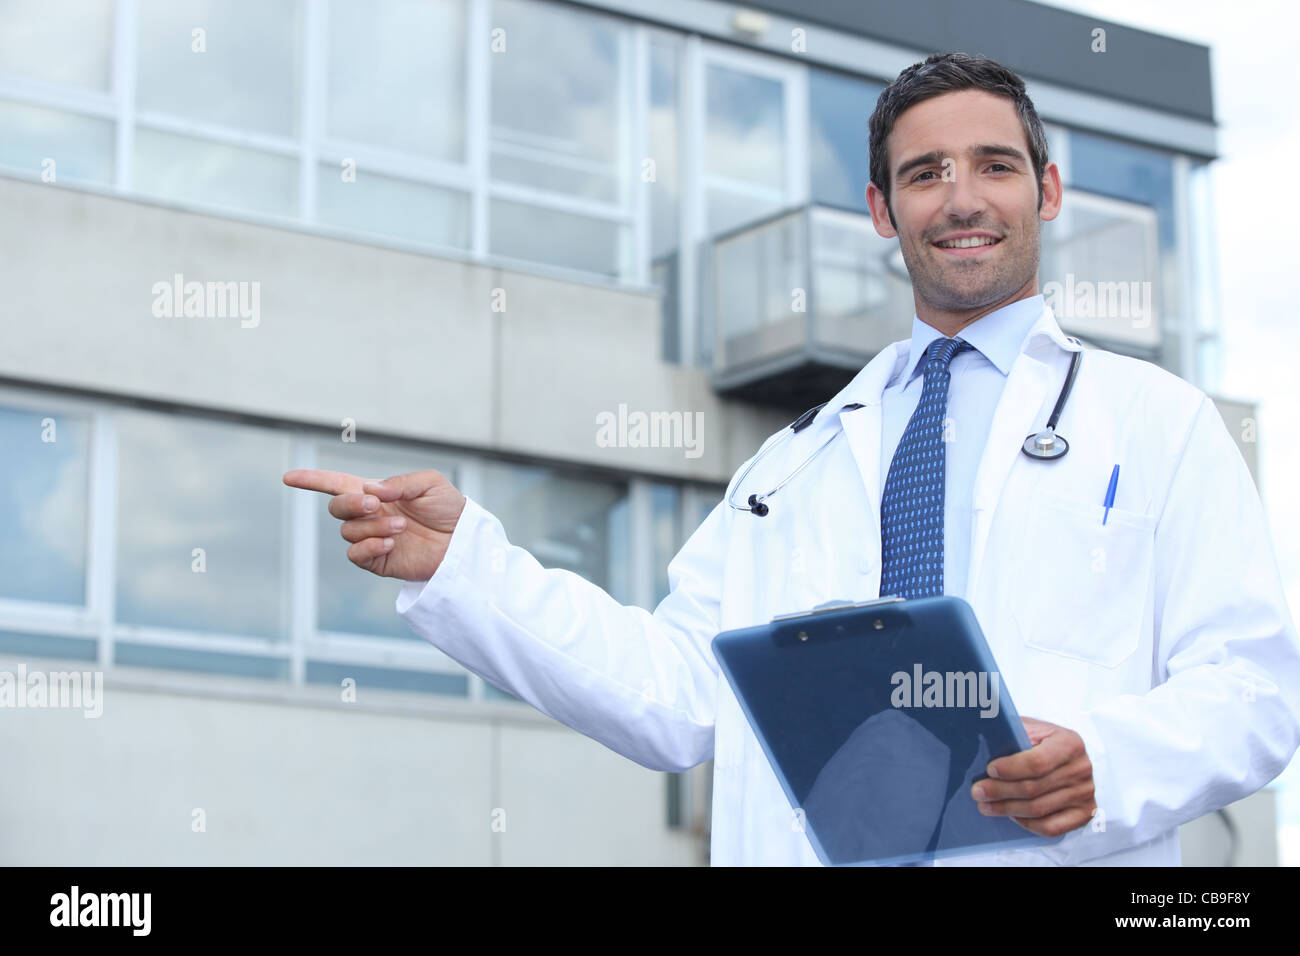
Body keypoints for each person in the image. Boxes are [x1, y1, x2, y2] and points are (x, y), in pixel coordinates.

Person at [284, 52, 1300, 866]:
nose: (960, 197)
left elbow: (1254, 688)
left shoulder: (1158, 422)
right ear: (879, 209)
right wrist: (468, 565)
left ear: (1047, 190)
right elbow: (677, 694)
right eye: (923, 172)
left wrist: (1108, 765)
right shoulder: (790, 463)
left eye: (993, 165)